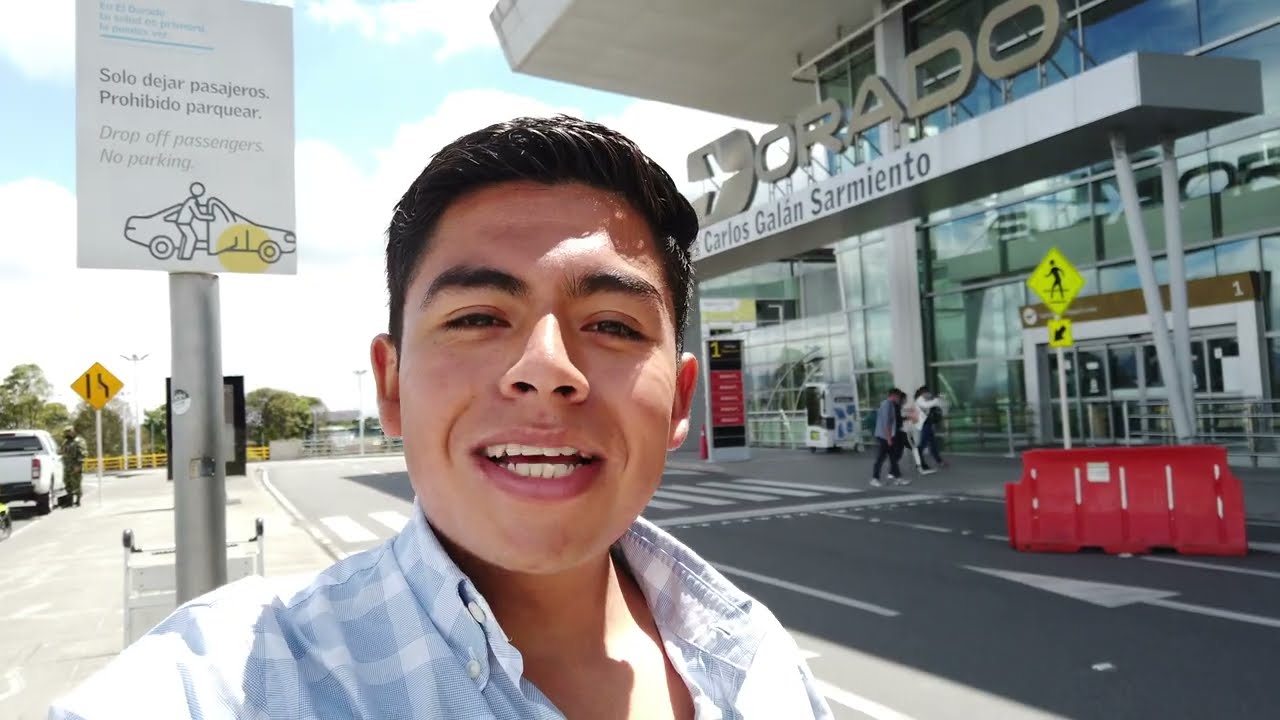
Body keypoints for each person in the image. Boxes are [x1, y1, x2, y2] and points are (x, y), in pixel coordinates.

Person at [49, 116, 833, 719]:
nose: (547, 369)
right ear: (391, 386)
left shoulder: (754, 655)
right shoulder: (229, 678)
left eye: (615, 326)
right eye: (477, 318)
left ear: (681, 401)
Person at [870, 388, 906, 487]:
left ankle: (898, 478)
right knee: (881, 458)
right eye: (898, 397)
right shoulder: (887, 405)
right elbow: (886, 424)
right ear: (893, 396)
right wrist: (889, 439)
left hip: (887, 436)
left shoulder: (890, 405)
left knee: (893, 458)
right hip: (884, 436)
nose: (899, 399)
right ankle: (875, 478)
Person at [175, 181, 215, 260]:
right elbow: (198, 215)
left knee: (186, 237)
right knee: (192, 238)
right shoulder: (192, 201)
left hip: (183, 222)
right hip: (184, 223)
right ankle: (185, 257)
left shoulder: (191, 200)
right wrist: (210, 217)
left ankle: (182, 256)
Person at [913, 386, 947, 471]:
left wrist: (938, 400)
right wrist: (937, 400)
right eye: (929, 393)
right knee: (923, 445)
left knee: (933, 444)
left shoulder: (924, 400)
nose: (930, 394)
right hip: (924, 425)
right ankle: (919, 463)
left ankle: (939, 461)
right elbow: (927, 405)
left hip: (927, 424)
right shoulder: (920, 400)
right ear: (924, 393)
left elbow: (934, 406)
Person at [59, 426, 86, 507]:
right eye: (66, 432)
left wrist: (78, 465)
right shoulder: (65, 442)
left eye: (68, 432)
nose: (67, 434)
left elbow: (83, 453)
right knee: (67, 483)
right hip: (67, 466)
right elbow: (62, 451)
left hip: (75, 465)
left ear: (73, 432)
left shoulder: (79, 441)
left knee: (76, 483)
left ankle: (78, 500)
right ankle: (69, 501)